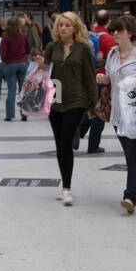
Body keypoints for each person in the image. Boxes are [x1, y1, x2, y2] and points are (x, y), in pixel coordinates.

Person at [33, 12, 98, 206]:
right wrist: (41, 66)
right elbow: (46, 71)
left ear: (75, 28)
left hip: (76, 98)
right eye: (60, 25)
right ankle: (65, 182)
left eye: (67, 25)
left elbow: (89, 74)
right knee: (60, 145)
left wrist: (93, 102)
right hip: (56, 98)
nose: (63, 28)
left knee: (66, 141)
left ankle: (67, 188)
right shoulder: (53, 47)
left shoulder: (83, 49)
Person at [101, 15, 136, 214]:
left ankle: (129, 196)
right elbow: (110, 77)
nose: (115, 34)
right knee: (131, 155)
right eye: (113, 30)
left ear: (129, 33)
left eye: (119, 30)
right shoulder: (113, 54)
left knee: (132, 156)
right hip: (118, 112)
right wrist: (103, 78)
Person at [77, 10, 117, 153]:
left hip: (87, 78)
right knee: (100, 112)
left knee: (90, 108)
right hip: (102, 78)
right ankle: (93, 145)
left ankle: (76, 136)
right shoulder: (109, 39)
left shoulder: (88, 36)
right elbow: (113, 61)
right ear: (108, 22)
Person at [0, 17, 31, 122]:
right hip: (23, 63)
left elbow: (3, 52)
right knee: (23, 90)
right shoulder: (23, 36)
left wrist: (5, 60)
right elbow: (28, 49)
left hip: (10, 64)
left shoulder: (5, 36)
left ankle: (9, 115)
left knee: (11, 90)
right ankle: (24, 114)